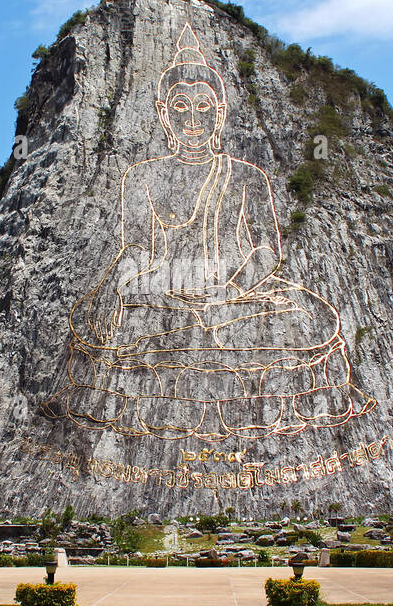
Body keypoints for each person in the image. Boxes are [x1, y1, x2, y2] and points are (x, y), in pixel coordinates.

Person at [43, 23, 374, 441]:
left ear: (219, 112)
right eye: (180, 107)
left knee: (302, 316)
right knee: (113, 313)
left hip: (237, 292)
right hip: (168, 287)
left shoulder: (246, 175)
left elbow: (267, 252)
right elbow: (139, 249)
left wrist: (231, 291)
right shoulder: (142, 176)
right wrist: (114, 282)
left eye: (203, 107)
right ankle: (193, 347)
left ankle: (197, 352)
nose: (192, 119)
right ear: (164, 113)